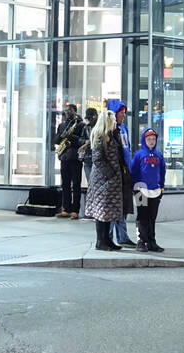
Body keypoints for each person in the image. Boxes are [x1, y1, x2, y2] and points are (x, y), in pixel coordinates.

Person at [84, 109, 127, 251]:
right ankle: (100, 241)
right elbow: (97, 159)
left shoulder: (111, 135)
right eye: (113, 120)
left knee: (108, 213)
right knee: (101, 213)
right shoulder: (100, 137)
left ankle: (108, 240)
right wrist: (111, 174)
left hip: (111, 182)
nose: (115, 122)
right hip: (103, 181)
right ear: (107, 122)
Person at [130, 127, 166, 253]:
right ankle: (141, 241)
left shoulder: (159, 155)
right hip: (140, 189)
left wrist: (162, 187)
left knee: (152, 217)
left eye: (153, 139)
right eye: (149, 139)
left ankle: (151, 241)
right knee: (142, 217)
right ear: (144, 140)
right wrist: (134, 187)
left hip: (155, 190)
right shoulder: (139, 155)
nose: (151, 141)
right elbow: (134, 171)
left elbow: (162, 172)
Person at [104, 99, 135, 245]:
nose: (123, 115)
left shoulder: (123, 129)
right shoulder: (108, 131)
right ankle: (108, 237)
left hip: (124, 171)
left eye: (124, 113)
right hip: (114, 174)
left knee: (122, 205)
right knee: (113, 206)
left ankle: (122, 236)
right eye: (121, 113)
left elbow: (127, 149)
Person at [53, 102, 85, 218]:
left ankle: (75, 211)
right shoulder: (62, 125)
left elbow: (82, 140)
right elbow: (56, 140)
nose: (67, 112)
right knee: (65, 184)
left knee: (76, 185)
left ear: (75, 111)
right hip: (64, 157)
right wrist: (62, 135)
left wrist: (70, 136)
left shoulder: (81, 125)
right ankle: (65, 208)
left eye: (69, 110)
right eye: (66, 110)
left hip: (75, 158)